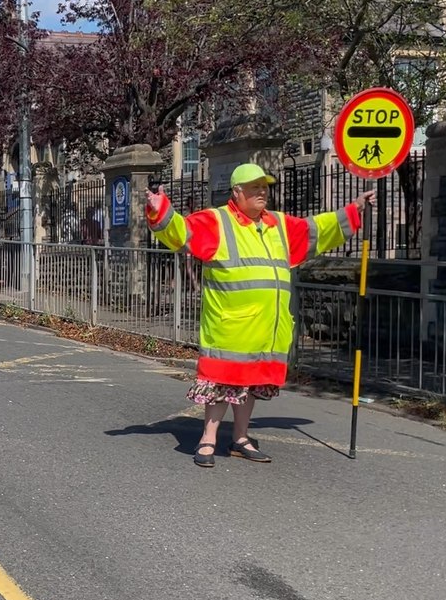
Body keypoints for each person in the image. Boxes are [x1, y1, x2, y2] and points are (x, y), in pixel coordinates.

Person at [145, 163, 376, 468]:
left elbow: (316, 230)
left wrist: (354, 210)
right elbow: (180, 233)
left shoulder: (278, 224)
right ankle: (207, 439)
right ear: (237, 192)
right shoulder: (218, 221)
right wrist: (160, 209)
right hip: (230, 330)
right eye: (254, 187)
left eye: (264, 187)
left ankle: (241, 438)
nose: (262, 192)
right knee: (219, 384)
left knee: (250, 385)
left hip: (265, 329)